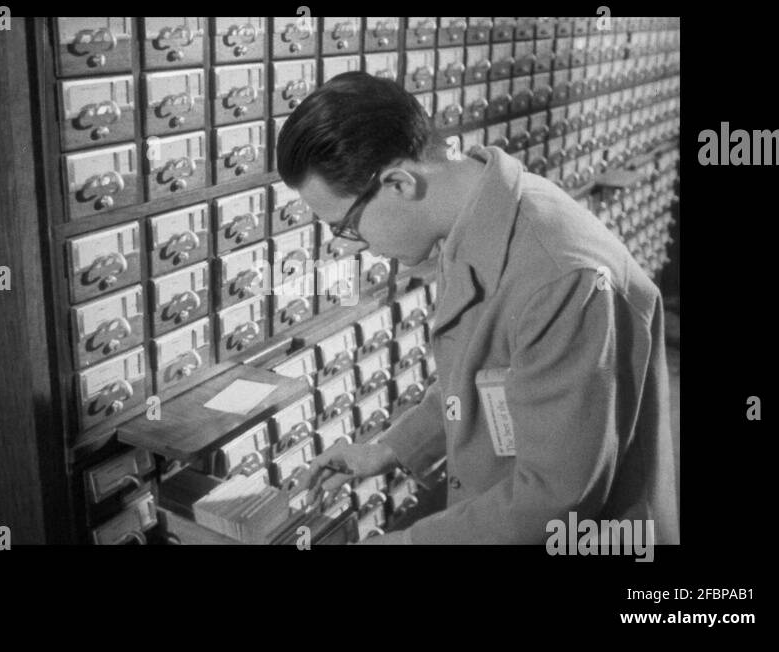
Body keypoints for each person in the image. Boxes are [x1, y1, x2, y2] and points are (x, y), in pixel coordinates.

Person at [277, 71, 679, 545]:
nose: (352, 247)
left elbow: (556, 499)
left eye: (346, 226)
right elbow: (487, 380)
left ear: (399, 183)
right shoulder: (477, 215)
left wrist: (402, 543)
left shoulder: (560, 277)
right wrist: (389, 448)